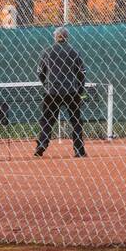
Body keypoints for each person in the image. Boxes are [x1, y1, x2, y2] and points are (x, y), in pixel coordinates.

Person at [35, 27, 86, 157]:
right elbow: (81, 73)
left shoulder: (47, 52)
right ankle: (79, 150)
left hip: (51, 92)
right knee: (75, 120)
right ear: (67, 37)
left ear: (55, 37)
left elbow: (40, 73)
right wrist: (80, 89)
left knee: (47, 119)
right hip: (71, 92)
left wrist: (47, 84)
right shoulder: (74, 52)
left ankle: (41, 145)